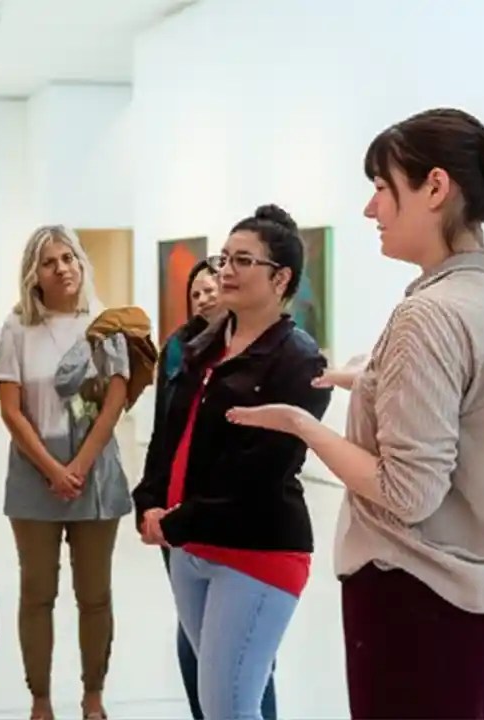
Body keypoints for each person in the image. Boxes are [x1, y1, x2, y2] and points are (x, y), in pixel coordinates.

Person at [228, 109, 484, 719]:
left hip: (422, 605)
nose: (371, 210)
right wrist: (370, 381)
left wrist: (303, 424)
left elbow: (408, 492)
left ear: (434, 187)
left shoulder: (428, 316)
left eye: (380, 187)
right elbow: (474, 413)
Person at [132, 204, 332, 720]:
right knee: (218, 698)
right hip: (188, 546)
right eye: (225, 257)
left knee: (229, 706)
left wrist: (178, 518)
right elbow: (168, 433)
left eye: (243, 260)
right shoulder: (201, 345)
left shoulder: (298, 359)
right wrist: (149, 499)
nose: (225, 269)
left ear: (281, 277)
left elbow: (262, 470)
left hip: (255, 550)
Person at [0, 225, 134, 720]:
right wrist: (52, 467)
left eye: (69, 257)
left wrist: (79, 464)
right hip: (35, 469)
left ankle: (93, 696)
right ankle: (40, 700)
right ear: (35, 273)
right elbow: (11, 409)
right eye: (50, 261)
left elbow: (116, 395)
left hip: (94, 468)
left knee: (94, 594)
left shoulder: (105, 322)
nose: (62, 268)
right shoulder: (16, 328)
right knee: (37, 594)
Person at [149, 261, 278, 720]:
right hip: (177, 516)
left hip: (232, 519)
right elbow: (164, 428)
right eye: (196, 292)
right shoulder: (179, 349)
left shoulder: (265, 351)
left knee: (246, 647)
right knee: (193, 633)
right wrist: (153, 498)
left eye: (211, 289)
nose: (204, 298)